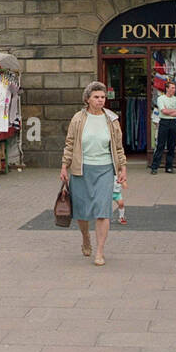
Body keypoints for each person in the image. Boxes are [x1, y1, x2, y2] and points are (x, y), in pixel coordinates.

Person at [61, 81, 127, 266]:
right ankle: (85, 238)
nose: (100, 100)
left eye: (102, 97)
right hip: (81, 168)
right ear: (87, 99)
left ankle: (100, 251)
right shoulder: (78, 119)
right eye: (96, 97)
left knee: (102, 210)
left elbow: (119, 147)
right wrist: (64, 166)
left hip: (105, 169)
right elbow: (70, 143)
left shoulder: (112, 120)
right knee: (82, 212)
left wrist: (123, 168)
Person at [150, 79, 176, 174]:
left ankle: (169, 167)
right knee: (160, 145)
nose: (174, 89)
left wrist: (170, 111)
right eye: (172, 88)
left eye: (174, 88)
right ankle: (154, 167)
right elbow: (163, 111)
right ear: (167, 89)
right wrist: (173, 111)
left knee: (171, 146)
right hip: (163, 122)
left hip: (173, 123)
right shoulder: (161, 98)